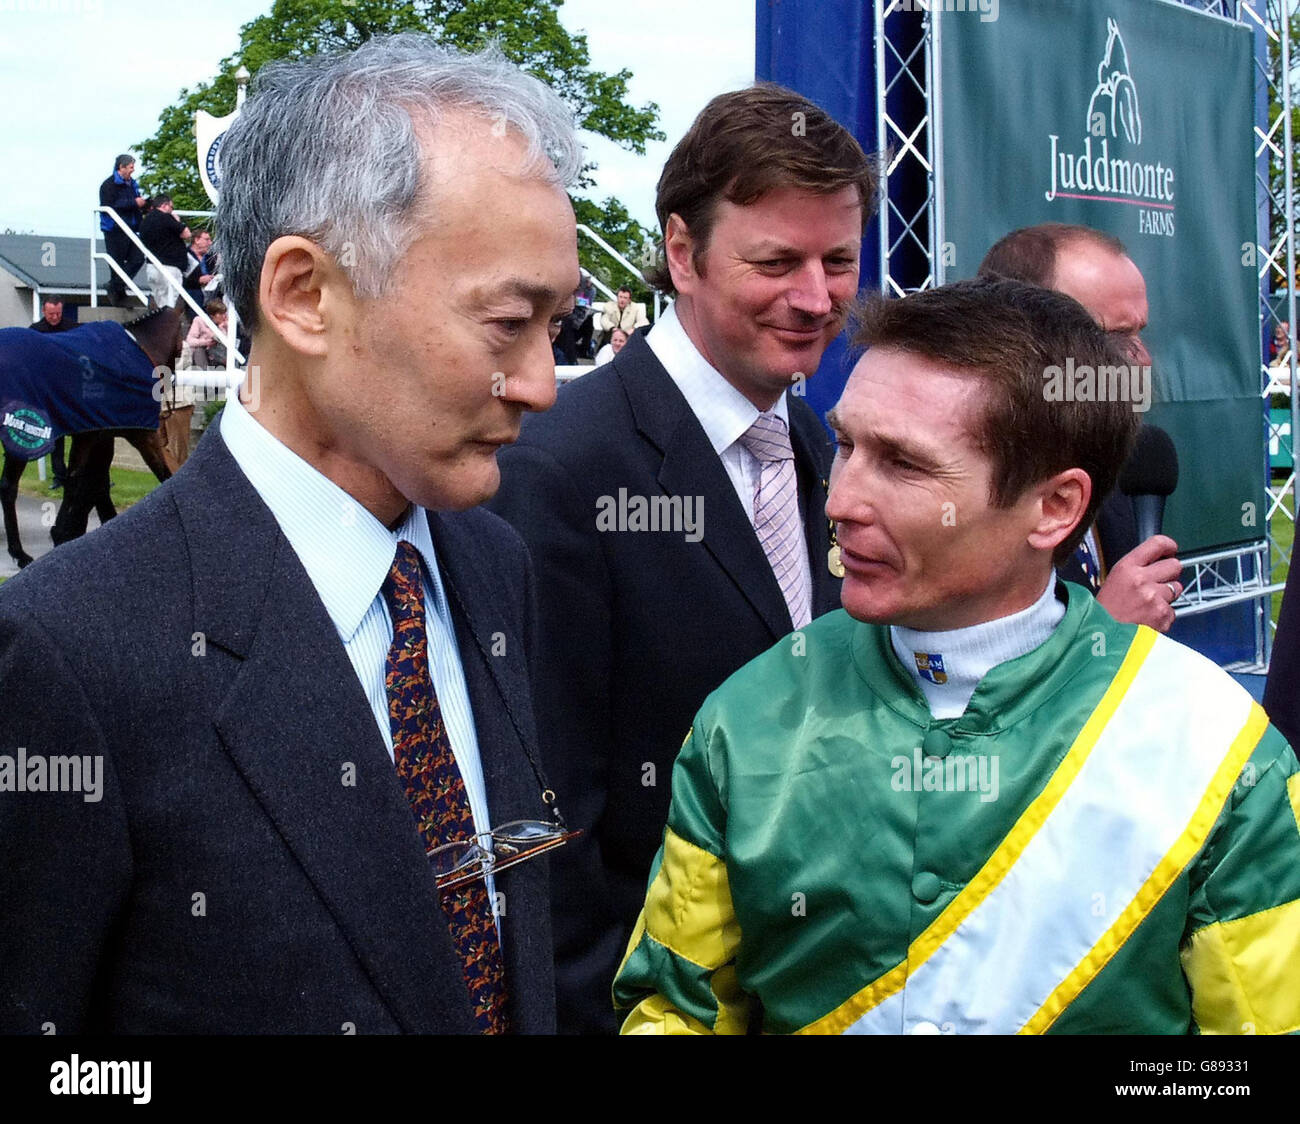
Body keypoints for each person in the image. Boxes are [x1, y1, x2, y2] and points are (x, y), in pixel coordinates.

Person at [0, 34, 581, 1034]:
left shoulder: (495, 567)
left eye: (556, 328)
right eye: (504, 325)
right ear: (304, 294)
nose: (536, 382)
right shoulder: (72, 650)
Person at [615, 278, 1300, 1035]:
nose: (840, 499)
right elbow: (673, 1010)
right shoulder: (745, 719)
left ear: (1056, 507)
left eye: (903, 465)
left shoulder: (1214, 747)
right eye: (845, 444)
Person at [488, 82, 876, 1034]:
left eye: (839, 261)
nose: (816, 298)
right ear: (681, 252)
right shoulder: (560, 470)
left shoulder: (825, 450)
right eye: (777, 261)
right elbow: (546, 827)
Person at [978, 223, 1184, 631]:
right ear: (1022, 335)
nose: (1141, 361)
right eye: (1116, 336)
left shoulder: (1109, 463)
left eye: (1140, 332)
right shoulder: (968, 493)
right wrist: (1100, 632)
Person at [27, 299, 73, 488]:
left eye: (58, 314)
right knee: (57, 435)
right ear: (43, 311)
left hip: (70, 388)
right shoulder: (34, 331)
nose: (55, 318)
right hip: (49, 390)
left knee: (86, 434)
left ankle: (89, 476)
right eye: (51, 314)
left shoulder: (72, 328)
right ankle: (59, 476)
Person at [98, 154, 147, 305]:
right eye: (131, 167)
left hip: (131, 229)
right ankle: (118, 294)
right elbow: (110, 205)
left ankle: (115, 287)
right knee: (116, 263)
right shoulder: (108, 185)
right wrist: (134, 203)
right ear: (121, 167)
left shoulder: (132, 184)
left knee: (138, 258)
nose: (133, 170)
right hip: (114, 229)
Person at [138, 195, 192, 309]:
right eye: (171, 207)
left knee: (160, 303)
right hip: (169, 268)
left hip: (152, 267)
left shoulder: (145, 221)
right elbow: (187, 234)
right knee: (169, 305)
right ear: (164, 205)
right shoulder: (166, 218)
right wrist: (178, 221)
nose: (172, 210)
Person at [183, 229, 216, 313]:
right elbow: (180, 277)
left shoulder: (211, 257)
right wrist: (198, 280)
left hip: (211, 291)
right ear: (197, 240)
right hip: (193, 290)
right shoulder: (184, 255)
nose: (210, 243)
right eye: (207, 239)